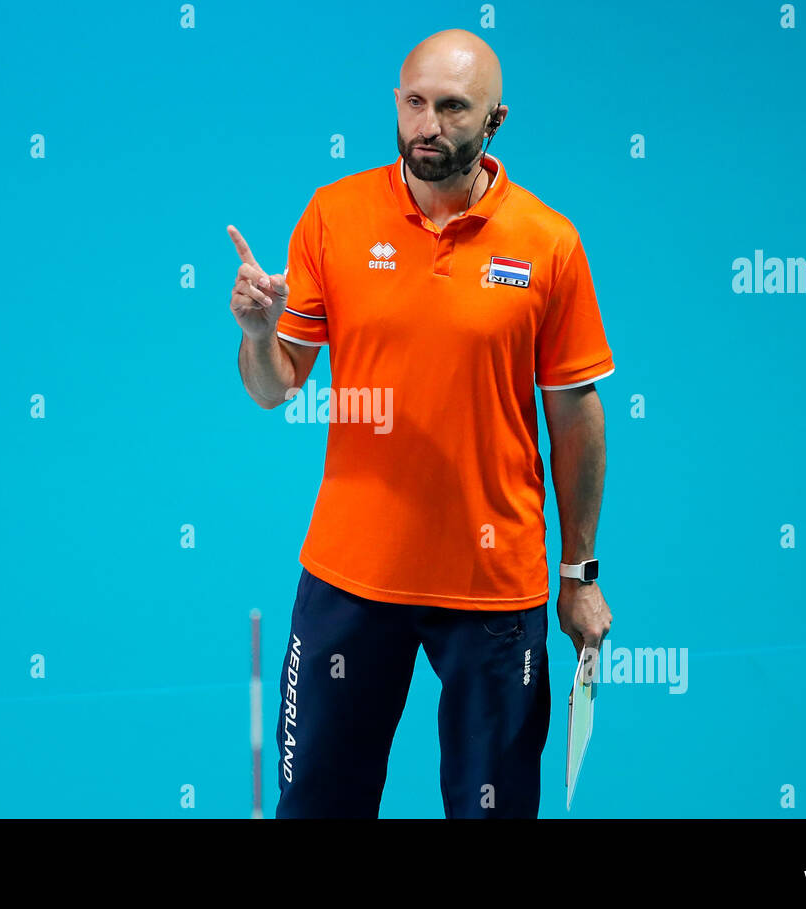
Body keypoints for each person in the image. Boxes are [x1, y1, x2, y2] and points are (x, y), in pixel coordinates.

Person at [226, 28, 614, 818]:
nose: (426, 124)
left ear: (495, 119)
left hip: (494, 589)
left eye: (450, 107)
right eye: (412, 102)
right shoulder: (335, 216)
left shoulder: (548, 243)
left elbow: (574, 414)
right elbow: (274, 389)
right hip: (352, 577)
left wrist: (576, 576)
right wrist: (260, 335)